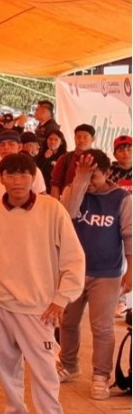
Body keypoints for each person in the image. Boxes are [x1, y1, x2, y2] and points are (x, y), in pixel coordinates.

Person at [0, 153, 86, 414]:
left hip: (39, 311)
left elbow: (74, 259)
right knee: (7, 370)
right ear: (1, 178)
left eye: (24, 175)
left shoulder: (52, 210)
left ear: (33, 177)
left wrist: (61, 299)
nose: (18, 181)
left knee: (46, 375)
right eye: (11, 175)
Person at [57, 149, 130, 400]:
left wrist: (131, 269)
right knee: (68, 322)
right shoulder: (74, 191)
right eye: (84, 175)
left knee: (102, 327)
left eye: (94, 176)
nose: (89, 182)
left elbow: (129, 235)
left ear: (108, 173)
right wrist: (80, 180)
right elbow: (67, 215)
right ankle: (68, 364)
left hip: (107, 273)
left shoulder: (122, 198)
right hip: (73, 271)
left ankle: (101, 375)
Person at [49, 123, 96, 199]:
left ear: (93, 139)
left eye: (85, 137)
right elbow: (55, 184)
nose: (81, 140)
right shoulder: (65, 158)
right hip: (68, 201)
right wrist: (57, 206)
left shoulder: (98, 159)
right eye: (78, 137)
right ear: (74, 138)